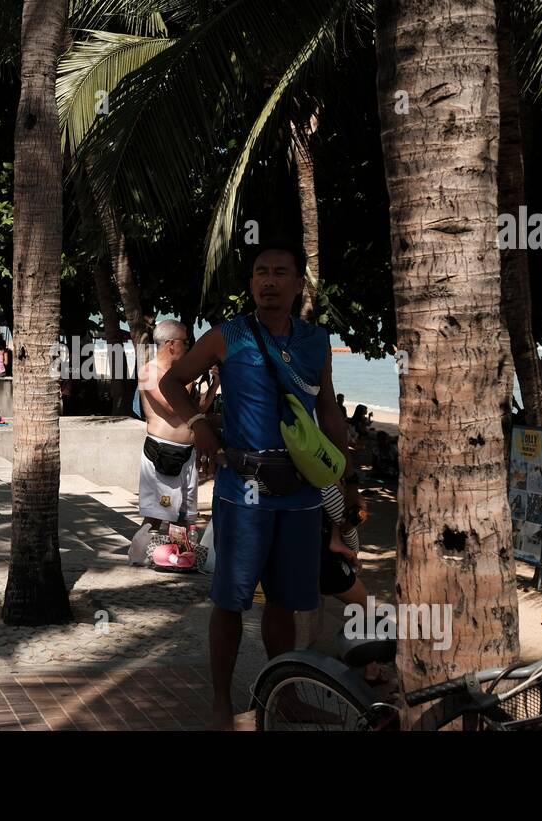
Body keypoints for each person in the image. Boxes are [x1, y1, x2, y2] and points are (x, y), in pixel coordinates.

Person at [157, 240, 354, 730]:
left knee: (285, 603)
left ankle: (279, 695)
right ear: (251, 283)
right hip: (242, 488)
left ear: (299, 283)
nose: (269, 281)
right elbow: (172, 383)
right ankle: (221, 702)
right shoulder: (228, 336)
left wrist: (348, 478)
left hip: (303, 490)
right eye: (260, 273)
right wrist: (200, 424)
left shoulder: (315, 341)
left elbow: (327, 410)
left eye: (280, 273)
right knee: (229, 600)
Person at [130, 321, 217, 552]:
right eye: (185, 343)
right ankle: (137, 555)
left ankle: (177, 557)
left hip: (187, 452)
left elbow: (197, 411)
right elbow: (171, 406)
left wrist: (215, 381)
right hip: (162, 451)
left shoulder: (178, 378)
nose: (188, 348)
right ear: (170, 344)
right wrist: (186, 377)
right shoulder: (149, 371)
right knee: (156, 516)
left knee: (184, 516)